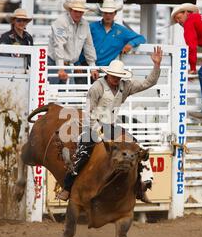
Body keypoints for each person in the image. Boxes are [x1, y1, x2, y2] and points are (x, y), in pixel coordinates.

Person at [57, 46, 163, 202]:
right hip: (93, 125)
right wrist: (98, 131)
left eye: (118, 76)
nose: (115, 79)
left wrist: (156, 66)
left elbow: (148, 83)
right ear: (108, 74)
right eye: (113, 75)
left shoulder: (125, 86)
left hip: (111, 126)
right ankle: (67, 187)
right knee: (83, 153)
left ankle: (142, 186)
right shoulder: (97, 88)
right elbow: (89, 113)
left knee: (137, 148)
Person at [79, 0, 146, 67]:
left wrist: (130, 44)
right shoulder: (92, 27)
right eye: (106, 13)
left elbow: (141, 38)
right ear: (102, 13)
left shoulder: (121, 31)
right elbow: (80, 43)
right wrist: (77, 64)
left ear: (115, 13)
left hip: (103, 69)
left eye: (110, 13)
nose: (108, 16)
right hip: (84, 65)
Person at [47, 0, 98, 84]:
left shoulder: (85, 24)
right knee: (53, 92)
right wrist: (60, 68)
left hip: (68, 65)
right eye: (76, 11)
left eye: (80, 12)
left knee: (66, 93)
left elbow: (89, 46)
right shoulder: (61, 22)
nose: (78, 14)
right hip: (54, 63)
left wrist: (93, 68)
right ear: (70, 10)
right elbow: (59, 45)